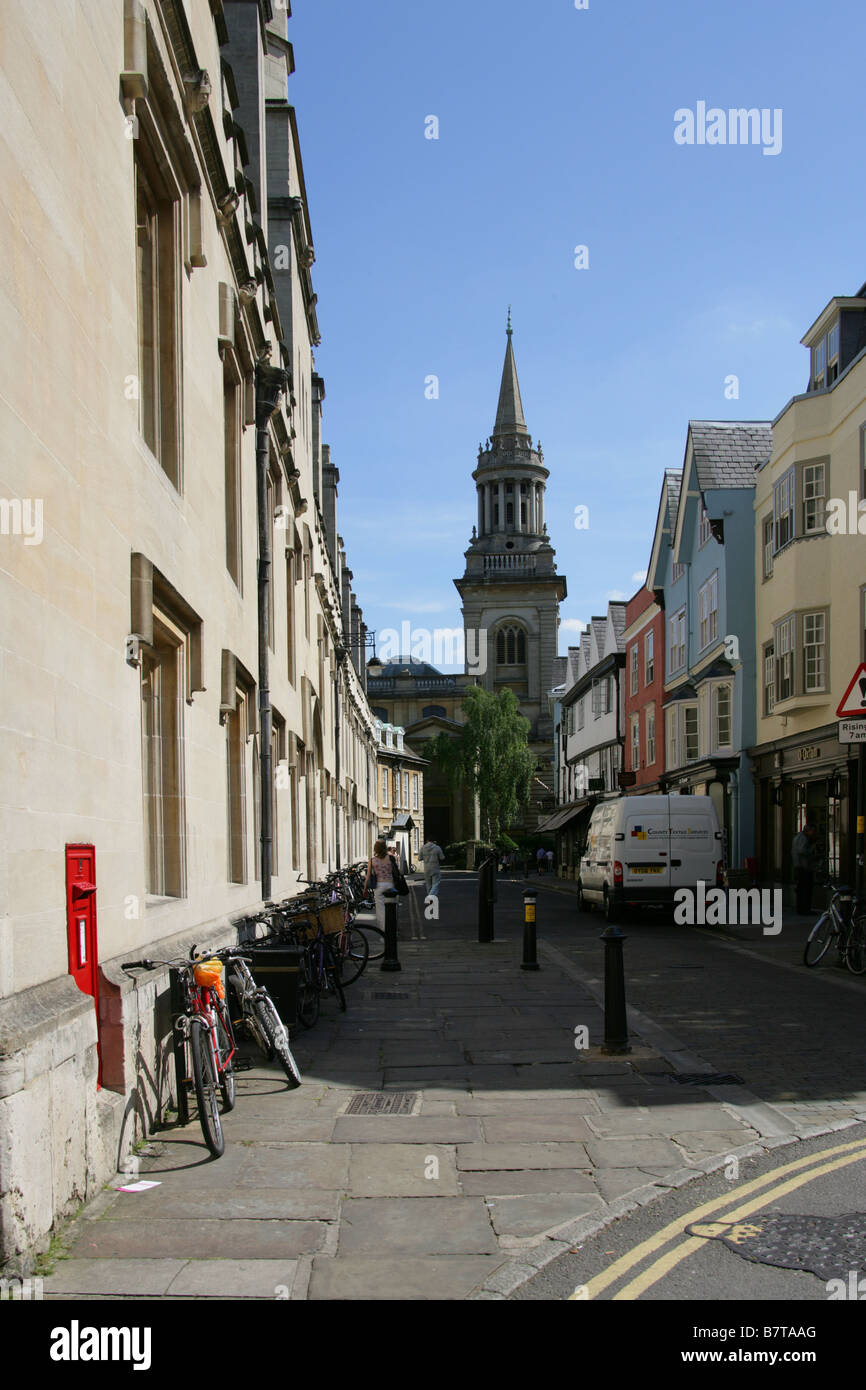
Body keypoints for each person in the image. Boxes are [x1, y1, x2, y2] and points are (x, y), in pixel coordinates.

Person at [364, 838, 398, 930]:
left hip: (379, 886)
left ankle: (384, 933)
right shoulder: (391, 858)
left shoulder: (372, 860)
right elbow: (396, 872)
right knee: (392, 910)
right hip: (390, 885)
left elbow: (368, 877)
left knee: (381, 911)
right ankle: (392, 931)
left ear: (375, 849)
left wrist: (365, 889)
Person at [791, 821, 820, 914]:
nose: (814, 833)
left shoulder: (799, 837)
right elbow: (801, 850)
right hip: (803, 867)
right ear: (809, 831)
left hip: (799, 866)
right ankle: (804, 909)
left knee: (801, 889)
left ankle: (802, 909)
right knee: (805, 889)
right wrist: (811, 852)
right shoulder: (803, 838)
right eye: (813, 831)